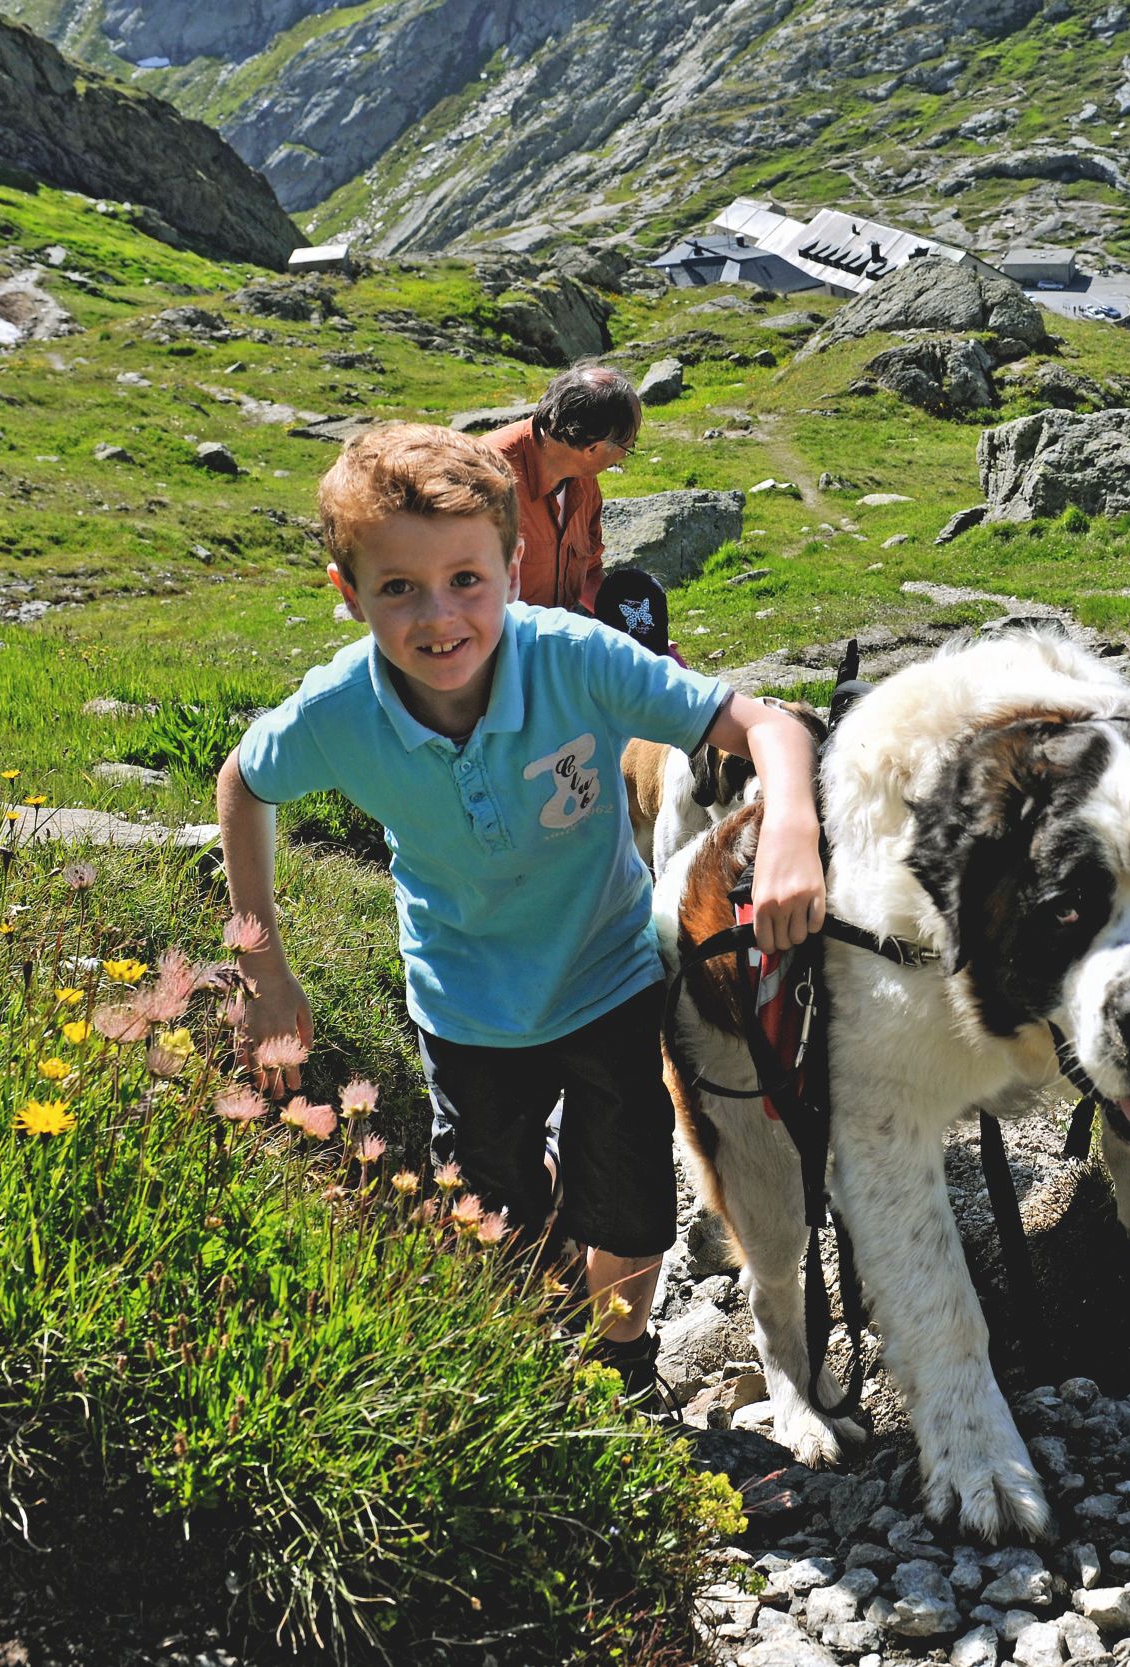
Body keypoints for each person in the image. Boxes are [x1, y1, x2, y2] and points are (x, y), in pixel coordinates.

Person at [214, 423, 826, 1408]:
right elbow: (242, 781)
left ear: (512, 565)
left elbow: (764, 724)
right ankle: (536, 1334)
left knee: (629, 1205)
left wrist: (790, 822)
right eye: (398, 587)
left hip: (606, 969)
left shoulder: (574, 658)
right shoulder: (336, 713)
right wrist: (263, 966)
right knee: (494, 1217)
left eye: (467, 578)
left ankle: (619, 1365)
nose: (439, 616)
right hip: (465, 999)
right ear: (349, 593)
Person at [488, 363, 641, 614]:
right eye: (627, 448)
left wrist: (638, 629)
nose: (623, 458)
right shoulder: (488, 480)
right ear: (593, 449)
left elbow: (588, 574)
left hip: (548, 645)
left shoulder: (582, 476)